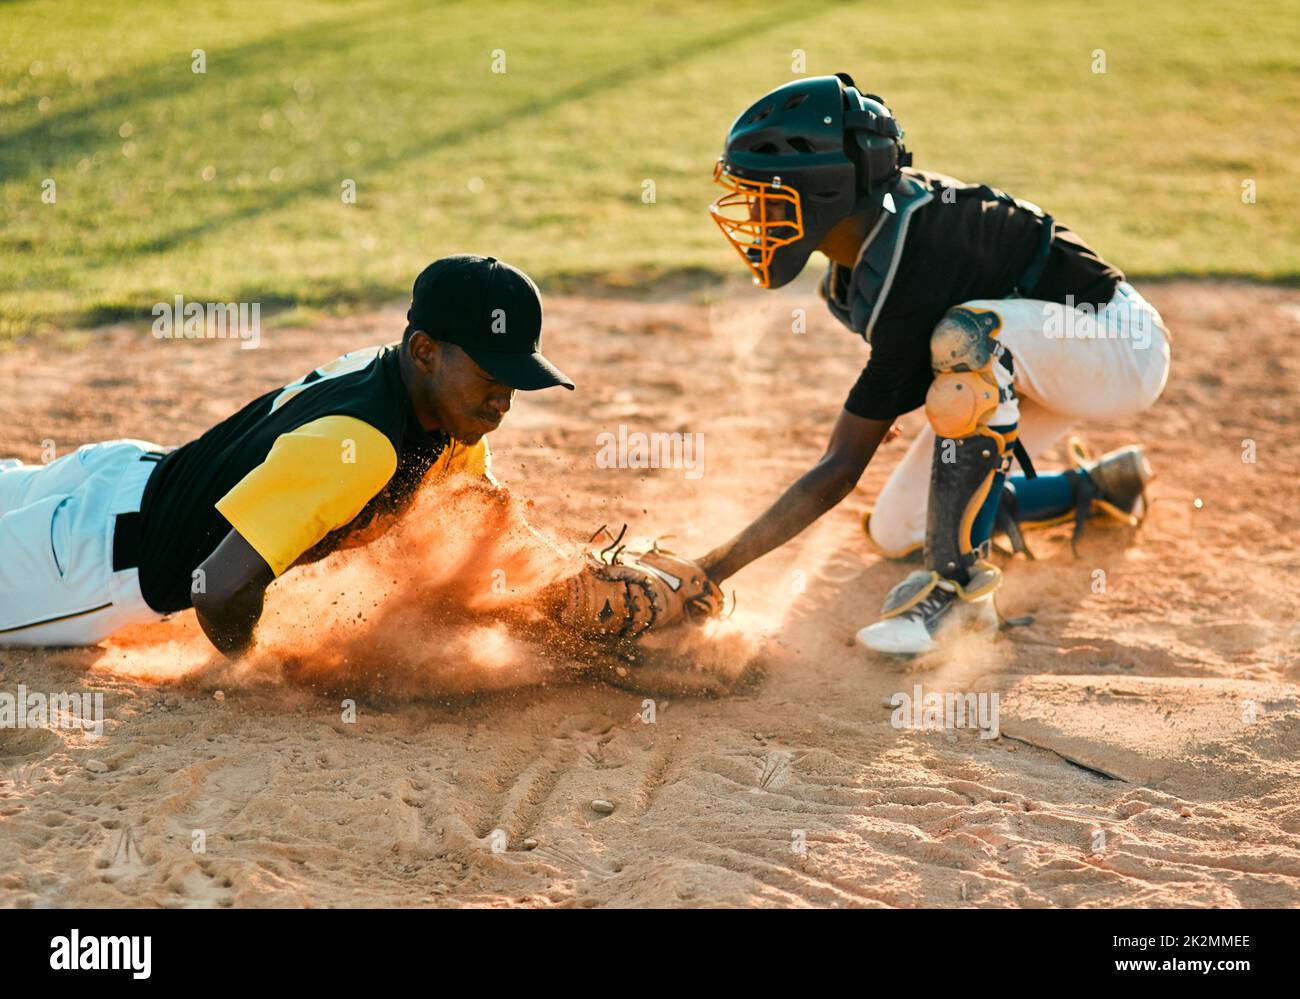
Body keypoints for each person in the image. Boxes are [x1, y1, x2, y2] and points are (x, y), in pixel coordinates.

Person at [698, 73, 1170, 655]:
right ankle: (1096, 489)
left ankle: (958, 597)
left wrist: (712, 569)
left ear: (824, 194)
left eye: (767, 196)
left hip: (1115, 346)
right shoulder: (856, 272)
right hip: (1037, 359)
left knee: (968, 336)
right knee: (897, 529)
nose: (753, 212)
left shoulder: (916, 257)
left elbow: (841, 468)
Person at [0, 255, 574, 657]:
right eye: (491, 373)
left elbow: (483, 516)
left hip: (117, 476)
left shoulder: (427, 402)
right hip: (82, 563)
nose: (505, 397)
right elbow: (215, 589)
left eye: (518, 377)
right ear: (424, 351)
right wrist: (256, 673)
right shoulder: (365, 447)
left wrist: (571, 579)